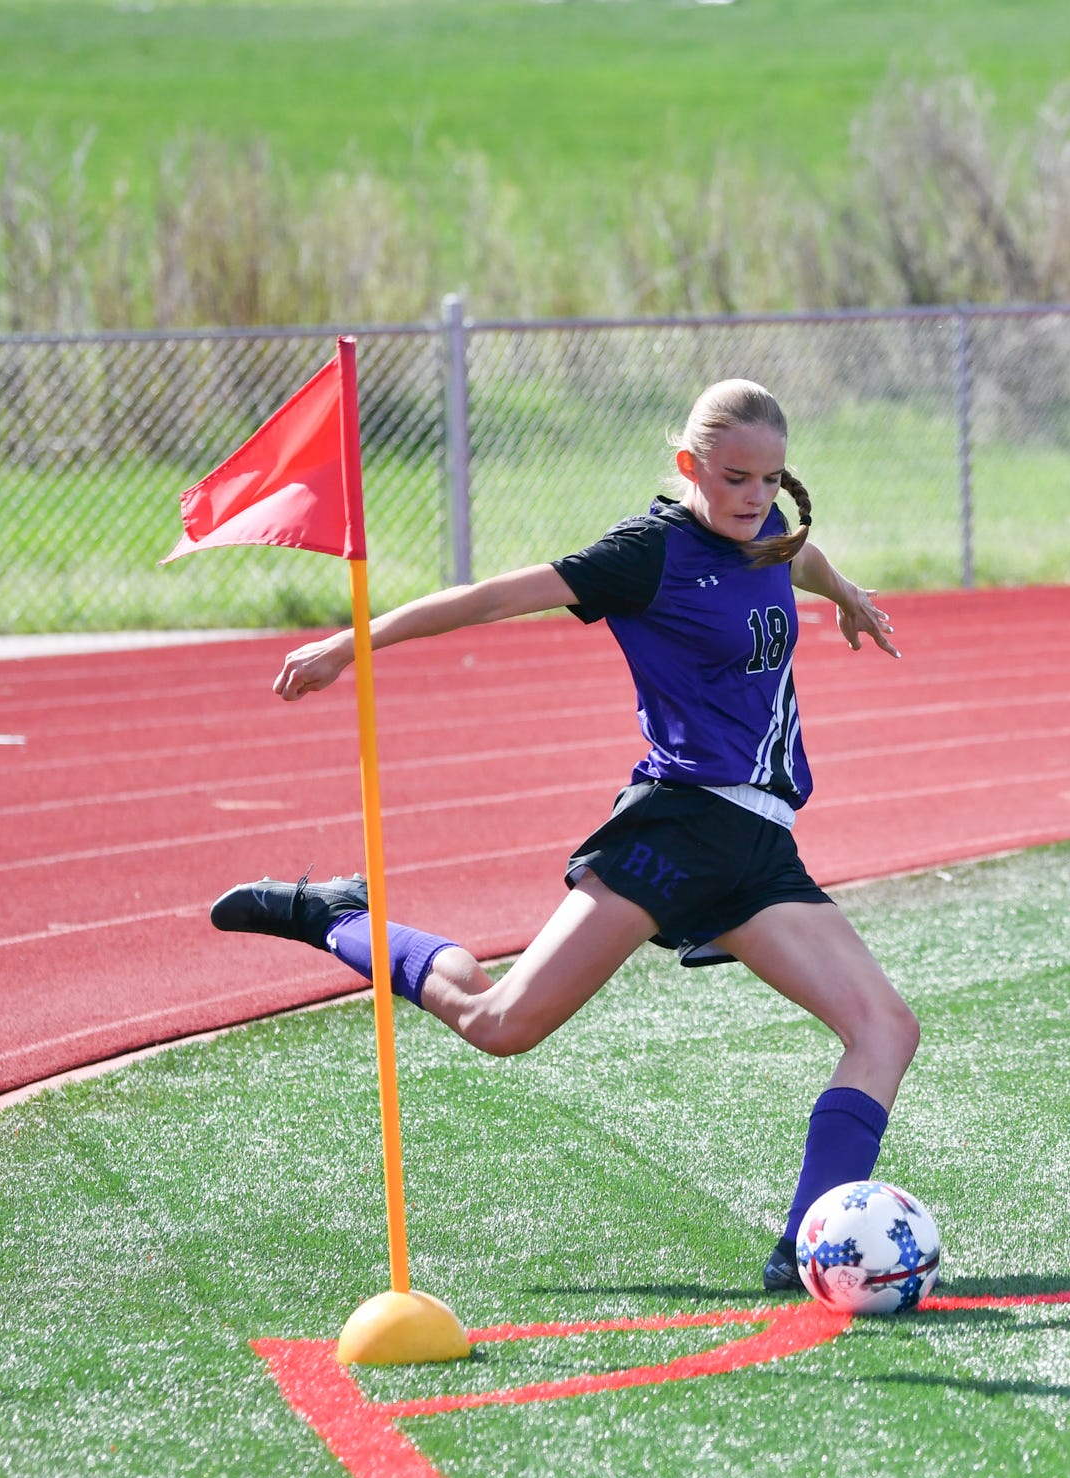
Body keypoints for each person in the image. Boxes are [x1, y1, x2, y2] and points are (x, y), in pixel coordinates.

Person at [211, 379, 918, 1292]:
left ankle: (807, 1251)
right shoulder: (649, 553)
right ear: (689, 467)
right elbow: (489, 599)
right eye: (736, 477)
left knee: (885, 1027)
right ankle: (340, 917)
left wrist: (849, 594)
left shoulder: (769, 535)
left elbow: (798, 558)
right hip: (676, 828)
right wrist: (352, 642)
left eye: (772, 479)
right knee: (502, 1025)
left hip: (759, 849)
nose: (755, 498)